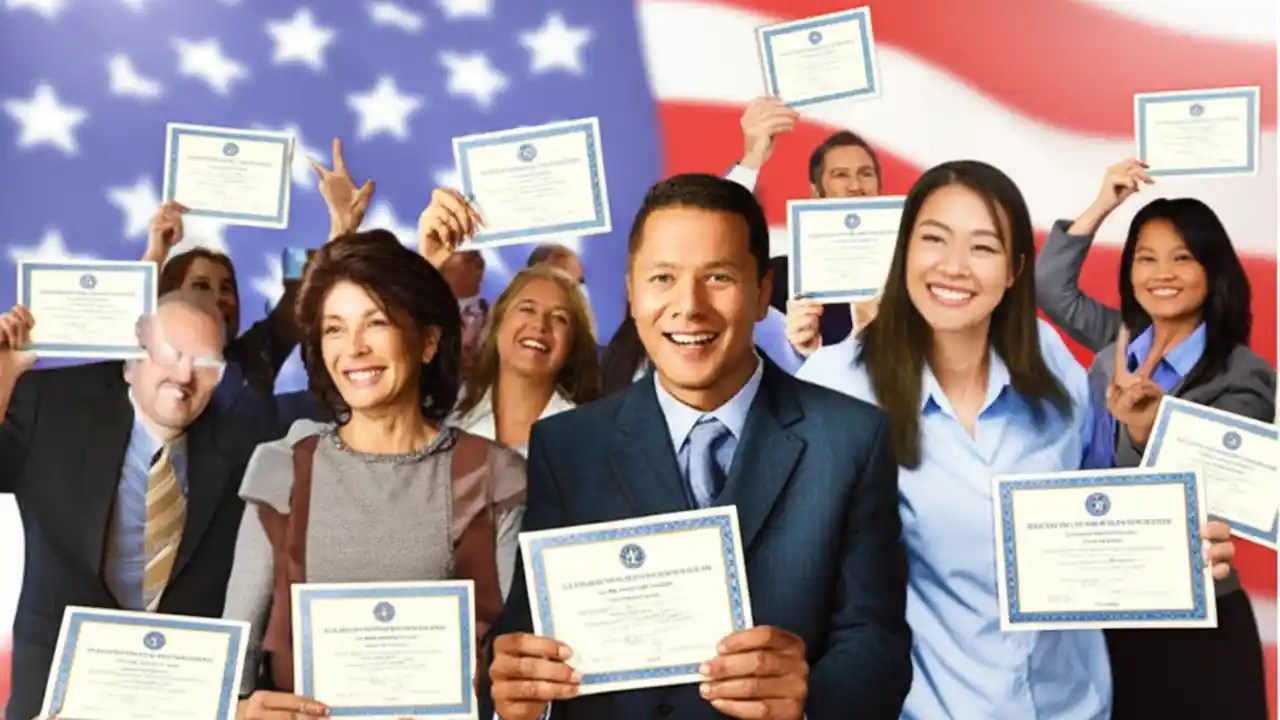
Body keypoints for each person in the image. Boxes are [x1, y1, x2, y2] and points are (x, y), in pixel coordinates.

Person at [796, 159, 1239, 719]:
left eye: (983, 247)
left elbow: (1095, 504)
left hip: (1075, 705)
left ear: (1013, 270)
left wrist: (1175, 544)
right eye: (934, 240)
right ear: (903, 249)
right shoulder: (834, 387)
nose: (954, 267)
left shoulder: (1047, 356)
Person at [485, 173, 912, 719]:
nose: (688, 306)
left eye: (718, 277)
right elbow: (528, 637)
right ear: (633, 294)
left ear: (762, 294)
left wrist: (808, 698)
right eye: (662, 277)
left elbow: (876, 644)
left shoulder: (851, 438)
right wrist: (518, 699)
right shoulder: (568, 447)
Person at [223, 230, 527, 718]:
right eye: (334, 329)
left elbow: (515, 656)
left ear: (428, 342)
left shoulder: (494, 473)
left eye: (377, 322)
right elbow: (234, 659)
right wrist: (238, 712)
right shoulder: (282, 467)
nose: (354, 347)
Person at [1035, 158, 1272, 719]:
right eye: (1146, 258)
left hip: (1195, 631)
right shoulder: (1116, 341)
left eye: (1182, 258)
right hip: (1098, 618)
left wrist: (1148, 431)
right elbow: (1050, 287)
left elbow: (1222, 499)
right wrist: (1101, 203)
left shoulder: (1244, 375)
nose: (1161, 273)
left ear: (1213, 271)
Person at [0, 292, 275, 720]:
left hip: (180, 702)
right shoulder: (49, 409)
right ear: (131, 360)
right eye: (171, 353)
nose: (185, 375)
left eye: (206, 364)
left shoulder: (247, 443)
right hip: (55, 697)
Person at [143, 138, 374, 401]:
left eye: (227, 287)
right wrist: (155, 254)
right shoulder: (145, 360)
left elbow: (299, 301)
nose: (219, 297)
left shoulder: (253, 357)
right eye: (201, 285)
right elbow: (136, 320)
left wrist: (341, 229)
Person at [726, 98, 883, 350]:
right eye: (840, 175)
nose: (856, 186)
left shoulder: (909, 280)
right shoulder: (779, 282)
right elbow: (718, 244)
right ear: (816, 194)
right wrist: (752, 157)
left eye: (865, 174)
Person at [449, 266, 601, 456]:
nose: (540, 325)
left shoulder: (589, 442)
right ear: (498, 323)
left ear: (572, 345)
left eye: (559, 318)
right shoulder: (448, 421)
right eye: (528, 309)